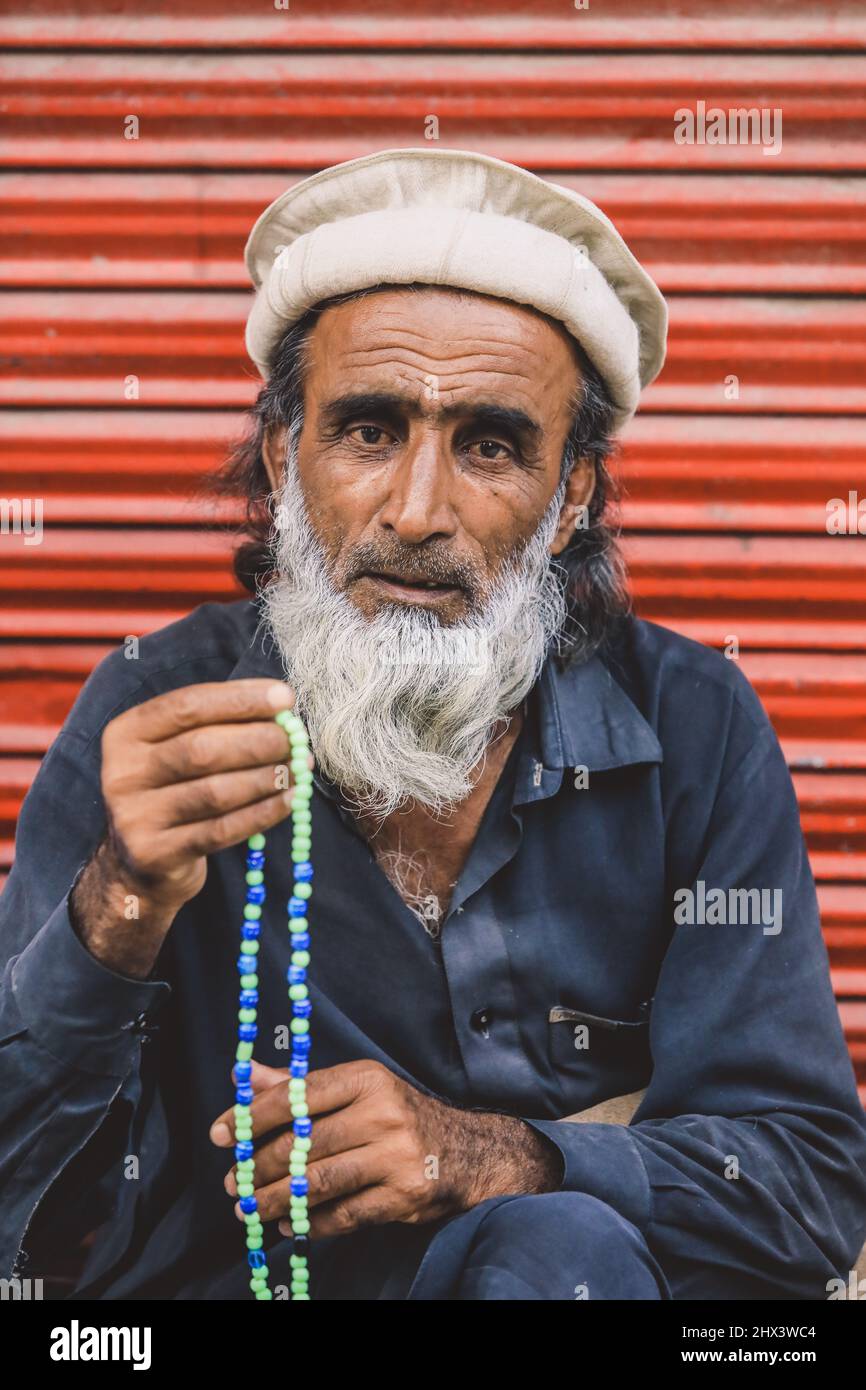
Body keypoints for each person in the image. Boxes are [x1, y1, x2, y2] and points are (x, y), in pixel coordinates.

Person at [2, 149, 865, 1301]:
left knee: (564, 1252)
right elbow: (26, 1205)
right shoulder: (156, 707)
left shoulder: (694, 728)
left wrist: (490, 1156)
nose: (416, 511)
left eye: (490, 446)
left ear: (568, 501)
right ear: (283, 459)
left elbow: (803, 1186)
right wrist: (118, 904)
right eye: (366, 430)